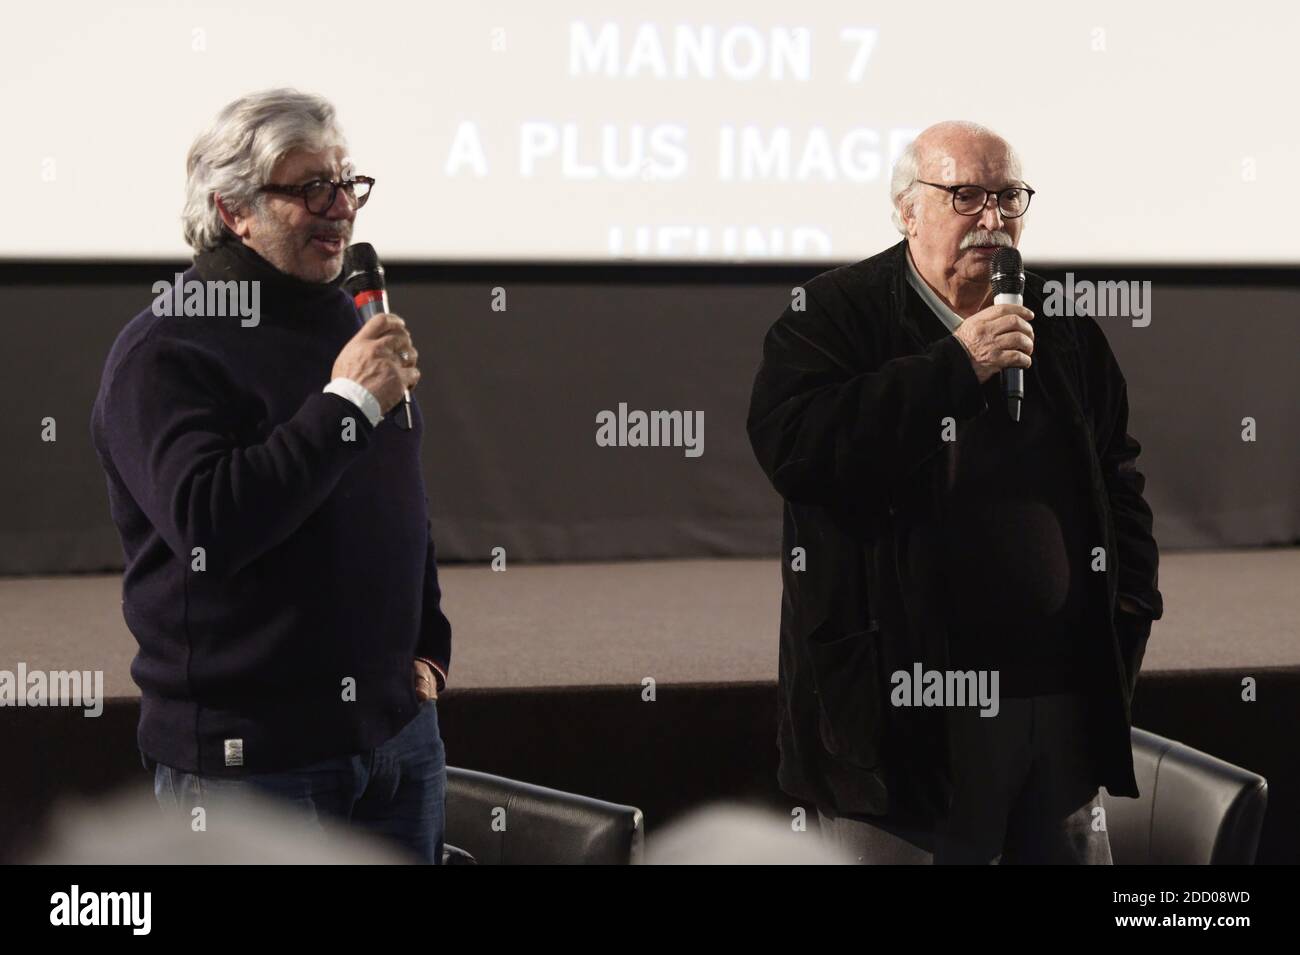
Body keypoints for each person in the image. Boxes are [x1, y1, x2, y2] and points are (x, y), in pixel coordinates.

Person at [746, 120, 1162, 864]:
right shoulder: (834, 316)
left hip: (1057, 710)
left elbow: (1117, 480)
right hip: (909, 717)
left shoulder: (1061, 321)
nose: (993, 217)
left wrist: (1130, 609)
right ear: (907, 210)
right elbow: (799, 451)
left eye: (1009, 197)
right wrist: (954, 366)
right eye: (966, 195)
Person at [90, 89, 451, 863]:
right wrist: (349, 401)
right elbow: (208, 525)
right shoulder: (166, 348)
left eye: (346, 182)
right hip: (253, 763)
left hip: (396, 736)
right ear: (233, 211)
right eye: (309, 188)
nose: (340, 209)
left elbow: (396, 494)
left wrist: (428, 648)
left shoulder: (346, 315)